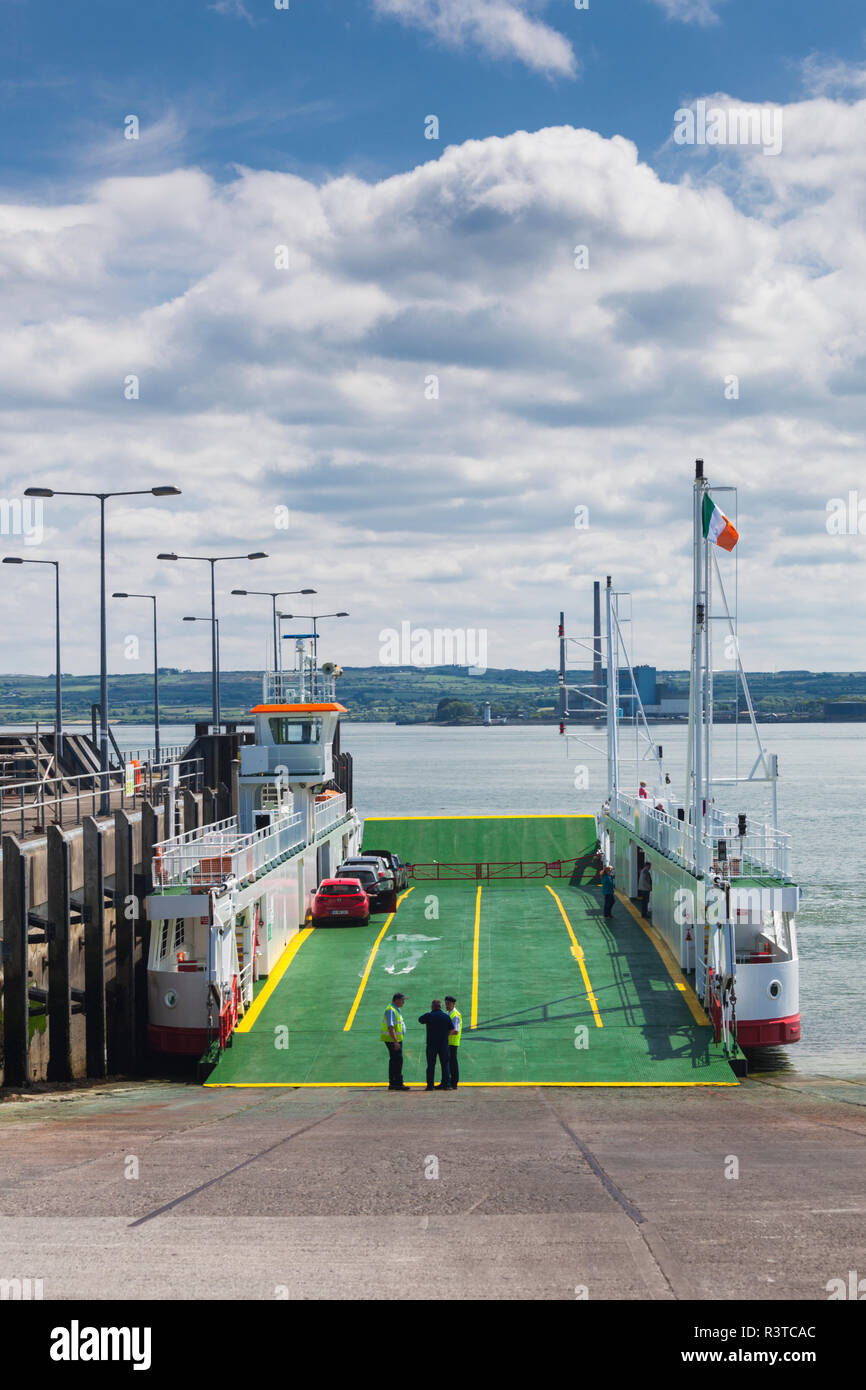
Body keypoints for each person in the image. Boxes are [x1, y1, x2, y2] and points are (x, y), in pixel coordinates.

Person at [417, 999, 453, 1090]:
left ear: (432, 1007)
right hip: (443, 1044)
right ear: (441, 1007)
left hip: (431, 1044)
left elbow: (420, 1020)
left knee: (431, 1065)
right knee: (445, 1064)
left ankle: (430, 1086)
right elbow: (451, 1029)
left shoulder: (429, 1016)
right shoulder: (446, 1017)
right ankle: (446, 1084)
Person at [381, 992, 411, 1091]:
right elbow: (390, 1027)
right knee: (397, 1061)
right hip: (393, 1040)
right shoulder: (391, 1010)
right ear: (396, 1000)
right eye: (402, 1000)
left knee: (395, 1060)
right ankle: (397, 1083)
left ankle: (393, 1082)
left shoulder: (395, 1009)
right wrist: (395, 1042)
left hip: (395, 1040)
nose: (403, 1002)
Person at [444, 994, 462, 1089]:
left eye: (449, 1003)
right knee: (450, 1063)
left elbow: (455, 1030)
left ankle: (454, 1082)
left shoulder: (455, 1015)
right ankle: (449, 1081)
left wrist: (444, 1035)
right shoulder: (448, 1013)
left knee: (453, 1063)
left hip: (453, 1043)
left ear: (453, 1004)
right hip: (449, 1042)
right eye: (446, 1003)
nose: (447, 1005)